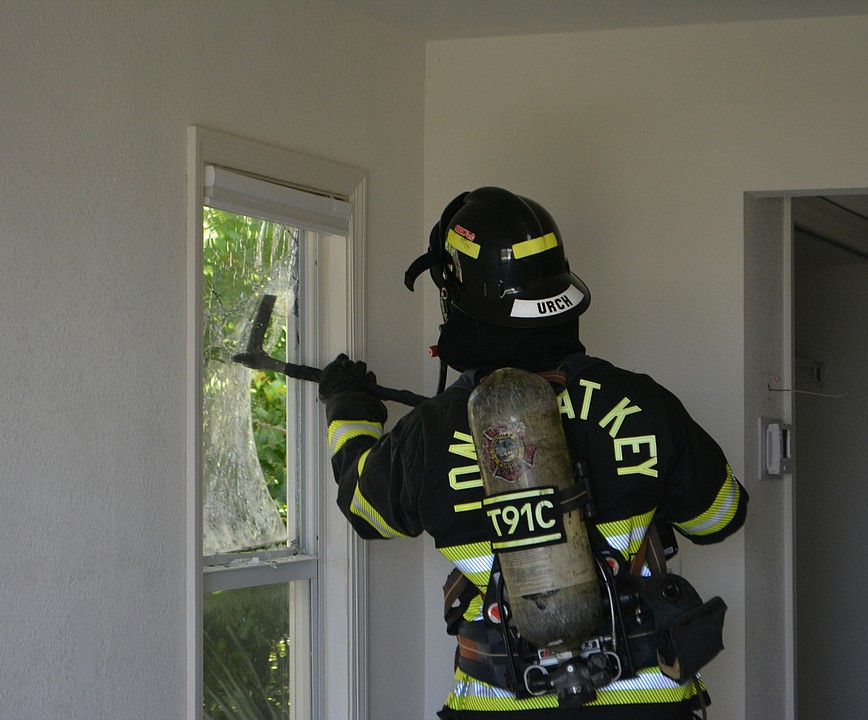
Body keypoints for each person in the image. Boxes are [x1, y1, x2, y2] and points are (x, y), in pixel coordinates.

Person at [318, 187, 747, 719]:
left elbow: (363, 508)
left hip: (503, 703)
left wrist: (348, 404)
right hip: (646, 702)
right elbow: (721, 517)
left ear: (458, 298)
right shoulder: (642, 401)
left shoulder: (431, 431)